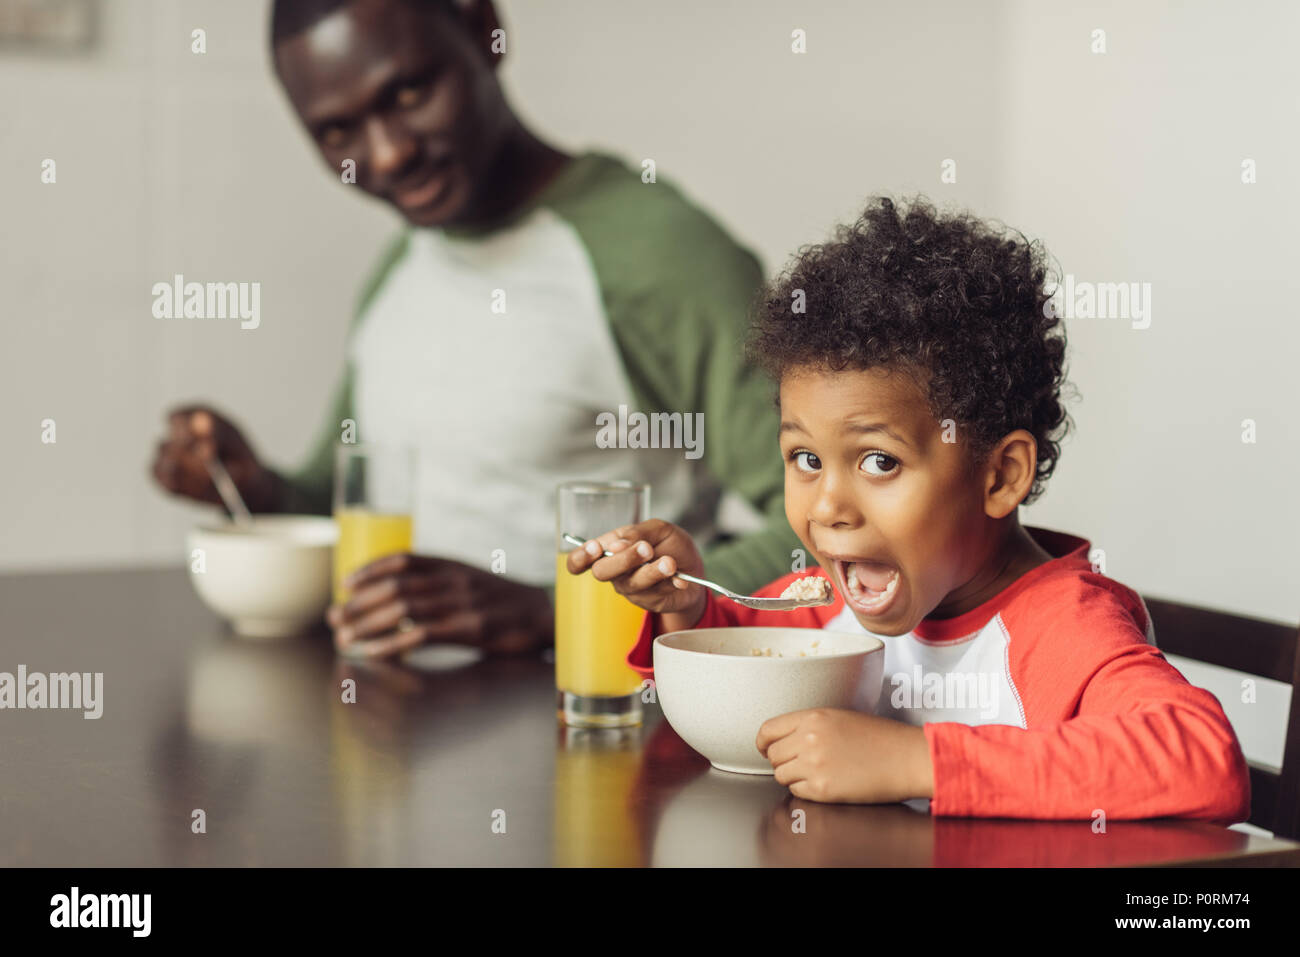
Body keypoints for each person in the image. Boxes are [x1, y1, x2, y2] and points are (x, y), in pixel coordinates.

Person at [564, 196, 1251, 822]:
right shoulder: (835, 600)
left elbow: (1201, 758)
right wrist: (685, 604)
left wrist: (913, 758)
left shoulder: (1060, 625)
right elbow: (744, 639)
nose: (828, 505)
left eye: (879, 461)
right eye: (806, 458)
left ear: (1000, 474)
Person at [151, 0, 801, 657]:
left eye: (410, 91)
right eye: (338, 132)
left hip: (591, 728)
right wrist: (254, 486)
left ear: (486, 30)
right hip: (390, 732)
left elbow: (824, 531)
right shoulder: (403, 264)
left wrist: (550, 611)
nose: (390, 151)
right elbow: (342, 499)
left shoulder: (659, 252)